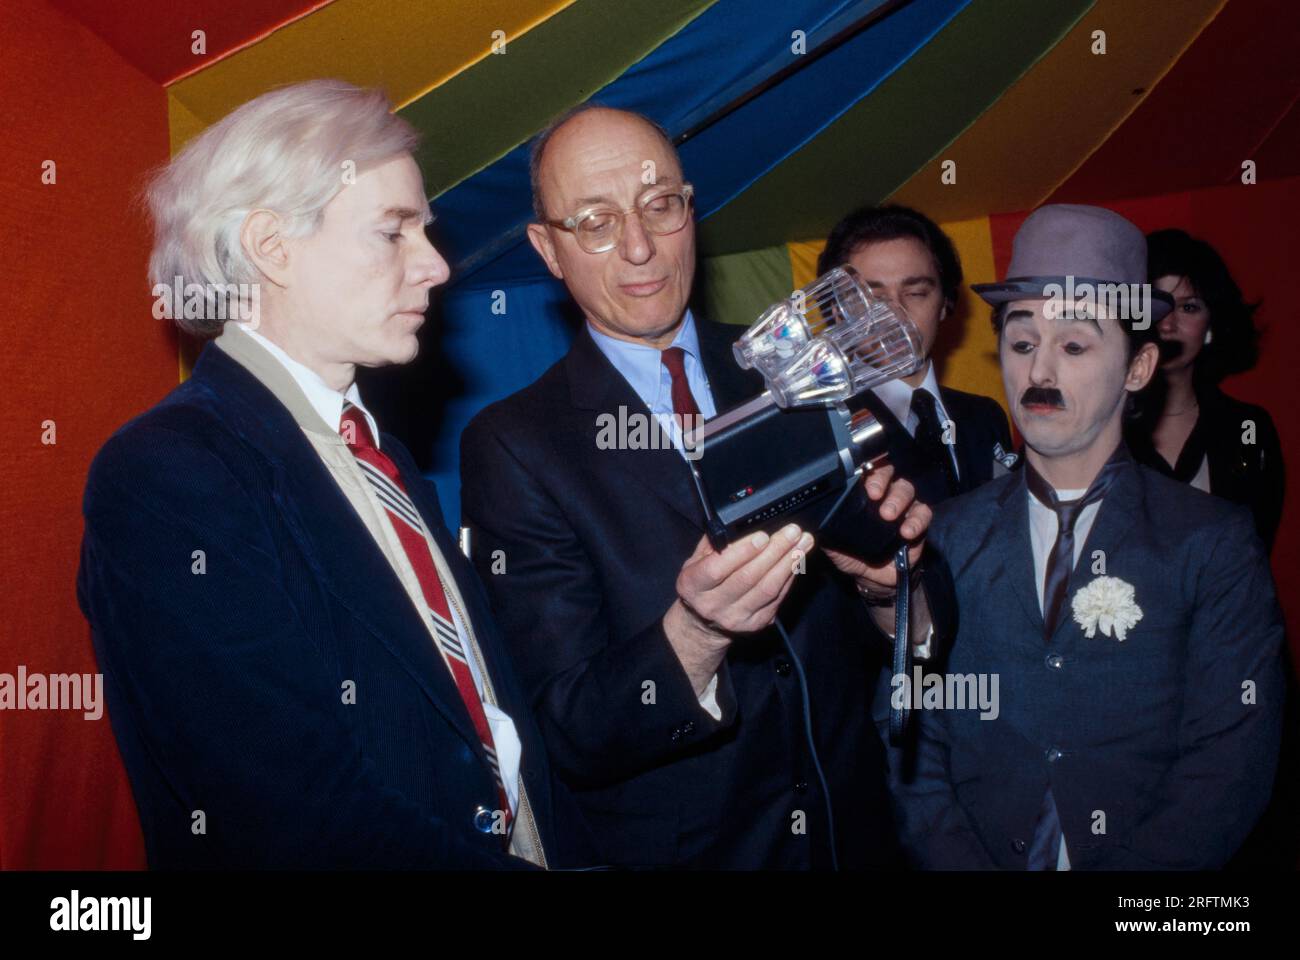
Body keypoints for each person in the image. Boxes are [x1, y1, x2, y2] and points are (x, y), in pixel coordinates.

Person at [77, 80, 590, 869]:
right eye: (393, 233)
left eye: (426, 230)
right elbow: (290, 817)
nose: (437, 266)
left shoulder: (376, 452)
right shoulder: (166, 474)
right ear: (271, 248)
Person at [460, 105, 938, 869]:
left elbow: (916, 625)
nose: (641, 246)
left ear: (691, 207)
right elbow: (567, 727)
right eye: (596, 222)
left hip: (858, 842)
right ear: (548, 250)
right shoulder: (515, 445)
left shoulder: (799, 364)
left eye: (660, 206)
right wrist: (695, 635)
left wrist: (889, 589)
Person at [897, 204, 1285, 869]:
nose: (1039, 372)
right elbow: (914, 741)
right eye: (1022, 344)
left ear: (1137, 368)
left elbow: (1230, 764)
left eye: (1073, 344)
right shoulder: (949, 536)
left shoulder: (1211, 542)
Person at [818, 204, 1015, 507]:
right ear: (837, 312)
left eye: (916, 293)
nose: (894, 315)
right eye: (872, 298)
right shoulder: (823, 432)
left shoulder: (984, 417)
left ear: (946, 302)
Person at [1126, 228, 1284, 551]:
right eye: (1156, 304)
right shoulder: (1102, 429)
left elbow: (1254, 552)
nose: (1167, 324)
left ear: (1212, 324)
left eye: (1188, 308)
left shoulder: (1247, 429)